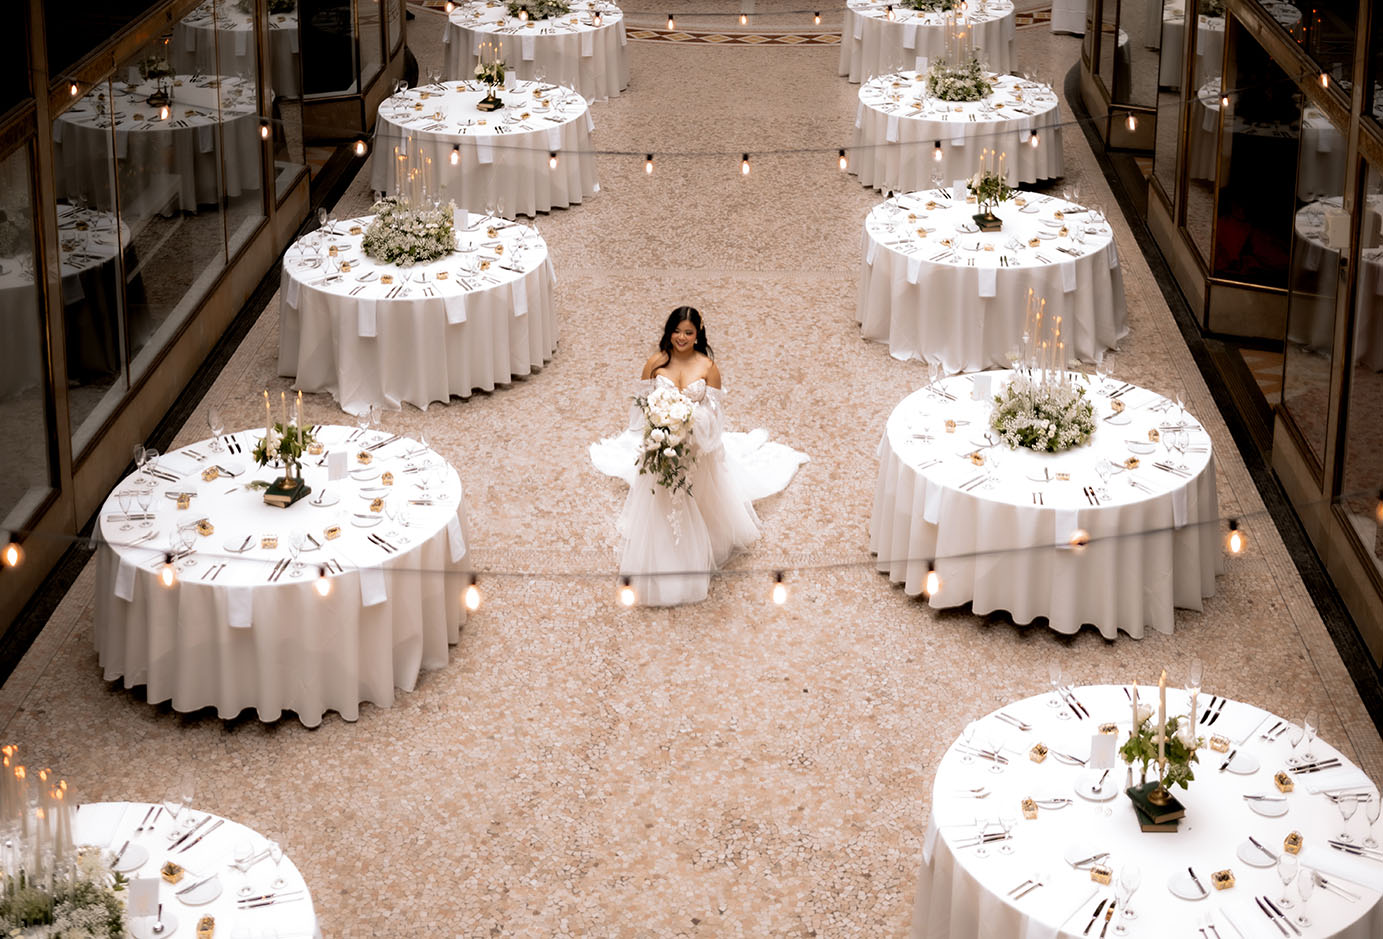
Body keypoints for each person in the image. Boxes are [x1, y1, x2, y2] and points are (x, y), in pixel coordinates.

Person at [590, 306, 808, 606]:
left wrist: (687, 424)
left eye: (688, 332)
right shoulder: (654, 363)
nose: (681, 337)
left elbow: (716, 419)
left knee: (695, 496)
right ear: (669, 332)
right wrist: (659, 428)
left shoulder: (708, 368)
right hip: (660, 444)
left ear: (698, 335)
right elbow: (640, 407)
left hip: (696, 448)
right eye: (677, 331)